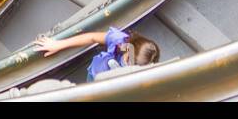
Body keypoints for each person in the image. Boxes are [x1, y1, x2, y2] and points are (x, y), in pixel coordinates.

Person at [32, 27, 161, 81]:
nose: (128, 63)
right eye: (128, 59)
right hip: (94, 75)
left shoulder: (141, 78)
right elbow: (93, 37)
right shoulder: (120, 41)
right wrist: (59, 44)